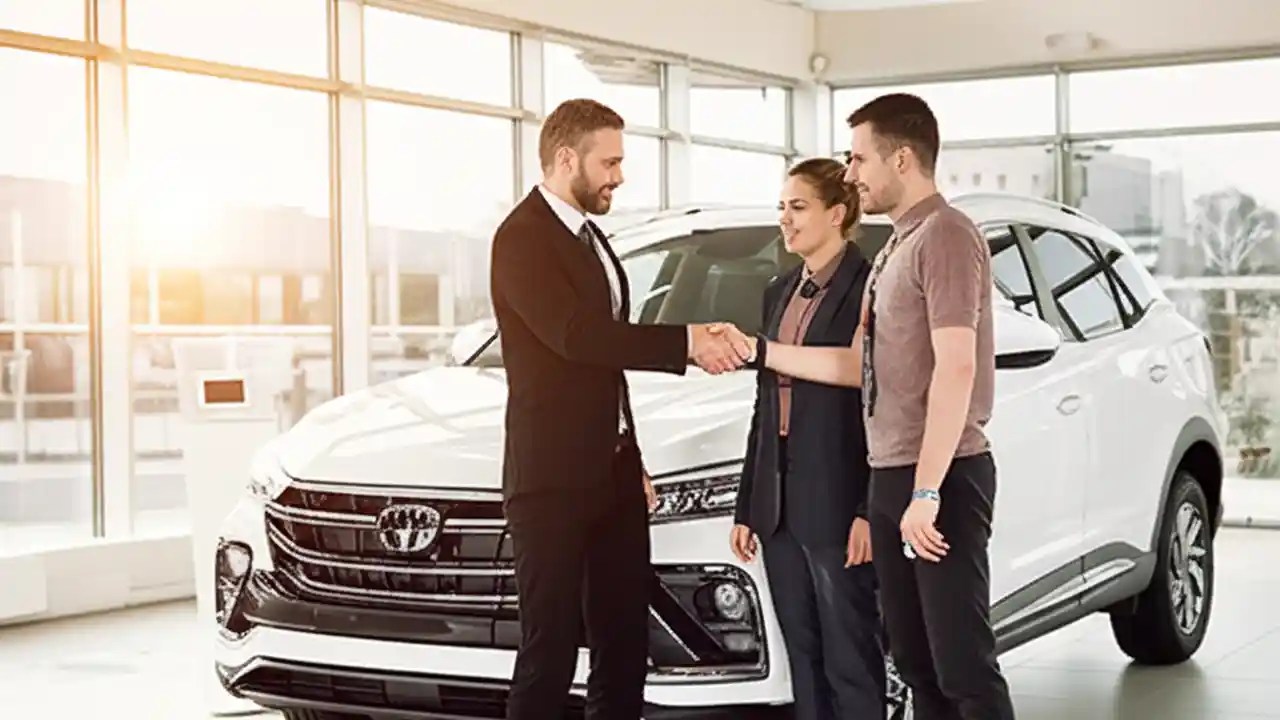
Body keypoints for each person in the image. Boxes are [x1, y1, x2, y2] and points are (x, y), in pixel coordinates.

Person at [732, 93, 1016, 720]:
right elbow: (854, 366)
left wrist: (927, 491)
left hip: (937, 476)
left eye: (860, 159)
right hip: (892, 473)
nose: (853, 174)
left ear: (903, 158)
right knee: (916, 665)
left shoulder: (945, 235)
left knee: (961, 666)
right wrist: (760, 351)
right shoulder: (897, 247)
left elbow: (958, 366)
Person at [489, 97, 750, 720]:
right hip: (550, 483)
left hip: (612, 476)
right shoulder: (522, 237)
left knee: (624, 641)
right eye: (609, 162)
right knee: (549, 652)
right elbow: (578, 337)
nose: (619, 176)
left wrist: (627, 451)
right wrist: (687, 342)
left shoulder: (590, 235)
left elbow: (602, 365)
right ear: (564, 158)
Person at [729, 157, 885, 720]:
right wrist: (748, 504)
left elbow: (881, 402)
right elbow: (764, 405)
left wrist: (870, 509)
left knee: (851, 653)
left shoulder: (871, 286)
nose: (785, 221)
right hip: (779, 508)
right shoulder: (779, 291)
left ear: (837, 214)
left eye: (798, 207)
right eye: (781, 207)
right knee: (803, 654)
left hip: (841, 502)